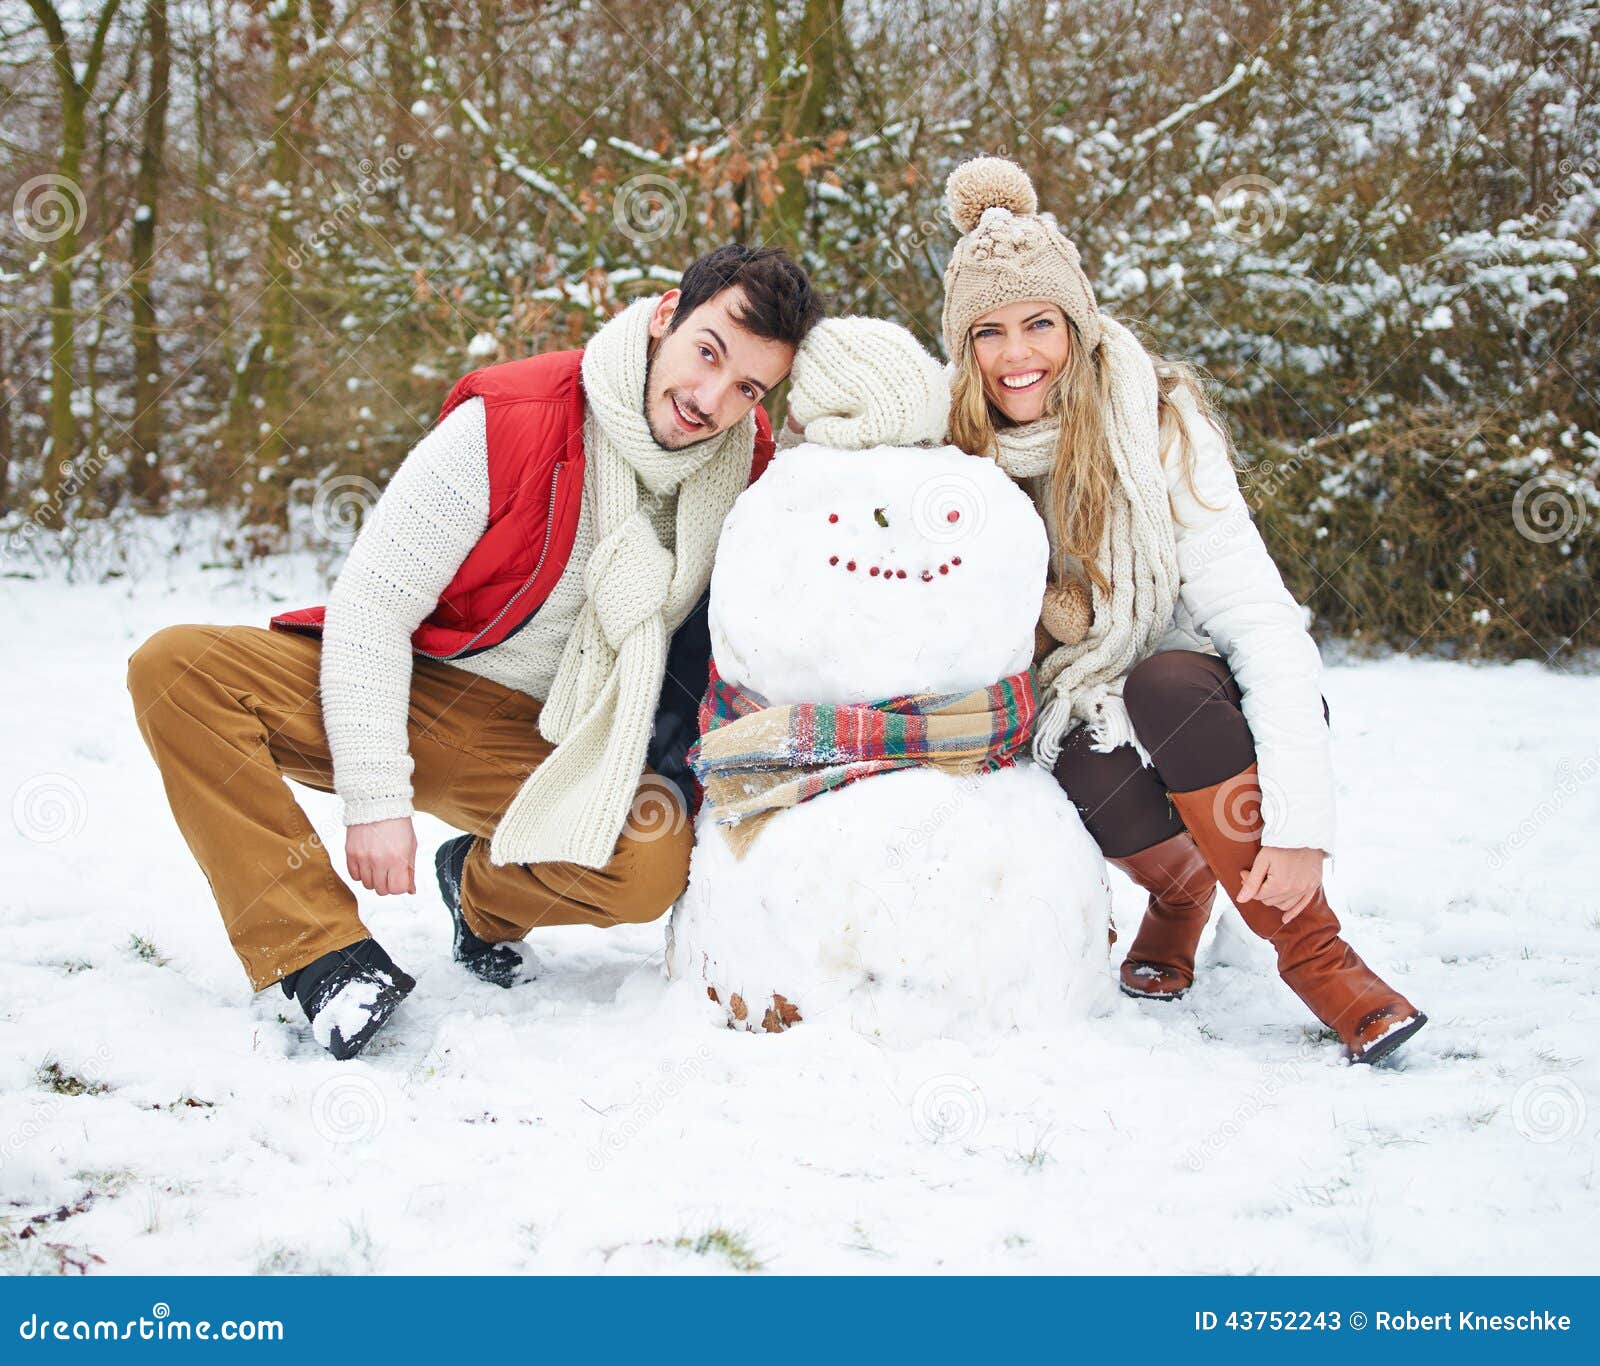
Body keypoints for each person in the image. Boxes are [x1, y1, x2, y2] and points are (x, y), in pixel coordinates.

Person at [127, 244, 823, 1059]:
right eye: (707, 353)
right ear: (667, 316)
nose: (711, 399)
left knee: (650, 860)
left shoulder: (753, 471)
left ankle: (479, 893)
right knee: (175, 670)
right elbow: (373, 608)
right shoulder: (514, 415)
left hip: (554, 740)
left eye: (748, 387)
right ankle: (321, 956)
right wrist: (375, 796)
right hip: (415, 686)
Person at [938, 158, 1425, 1064]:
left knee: (1161, 682)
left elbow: (1263, 625)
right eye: (989, 333)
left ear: (1077, 327)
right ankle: (1181, 894)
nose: (1017, 356)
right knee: (1066, 746)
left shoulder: (1159, 423)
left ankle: (1319, 957)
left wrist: (1302, 828)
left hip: (1212, 699)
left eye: (1040, 323)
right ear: (962, 348)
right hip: (1088, 699)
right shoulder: (956, 458)